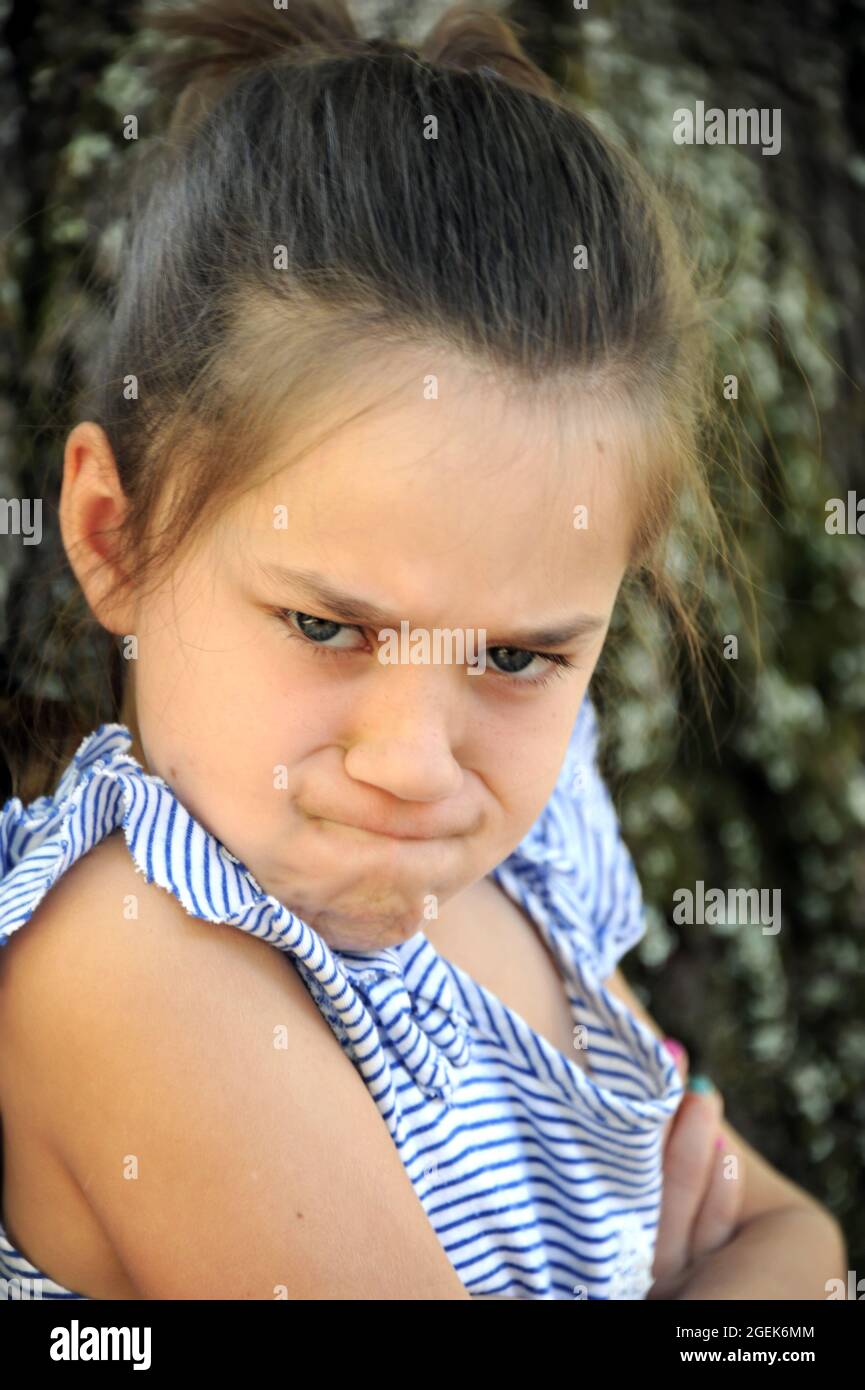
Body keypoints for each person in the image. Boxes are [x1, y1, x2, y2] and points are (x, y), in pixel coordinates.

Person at [0, 0, 846, 1300]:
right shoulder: (138, 967)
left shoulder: (542, 839)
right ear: (116, 538)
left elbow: (793, 1234)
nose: (410, 764)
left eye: (515, 659)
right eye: (327, 625)